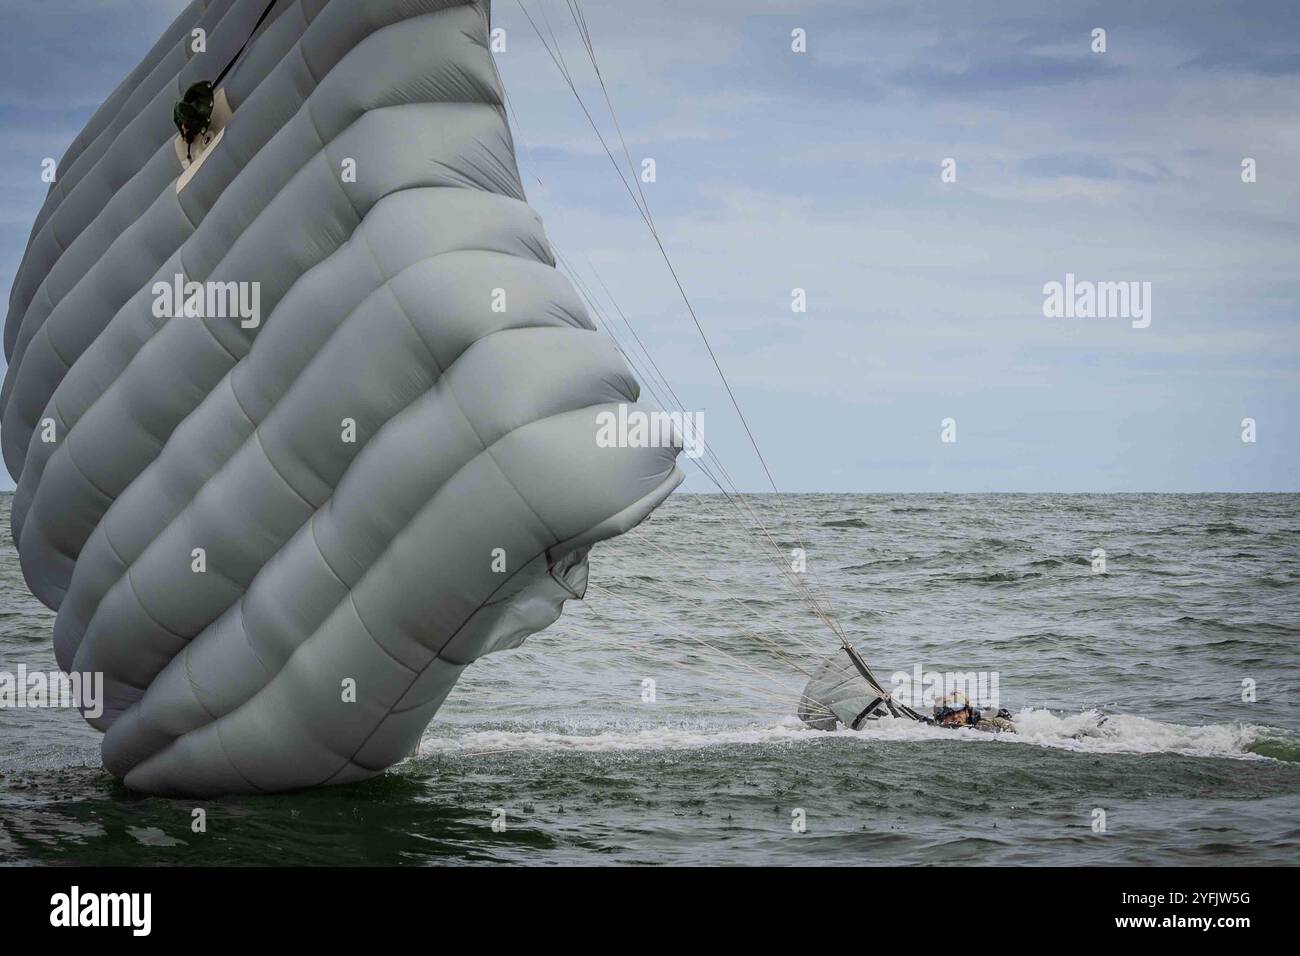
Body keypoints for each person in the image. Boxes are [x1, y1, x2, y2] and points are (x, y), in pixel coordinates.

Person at [932, 693, 1016, 733]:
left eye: (959, 712)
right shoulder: (937, 726)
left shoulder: (984, 722)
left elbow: (1010, 730)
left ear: (967, 713)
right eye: (949, 714)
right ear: (942, 718)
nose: (955, 716)